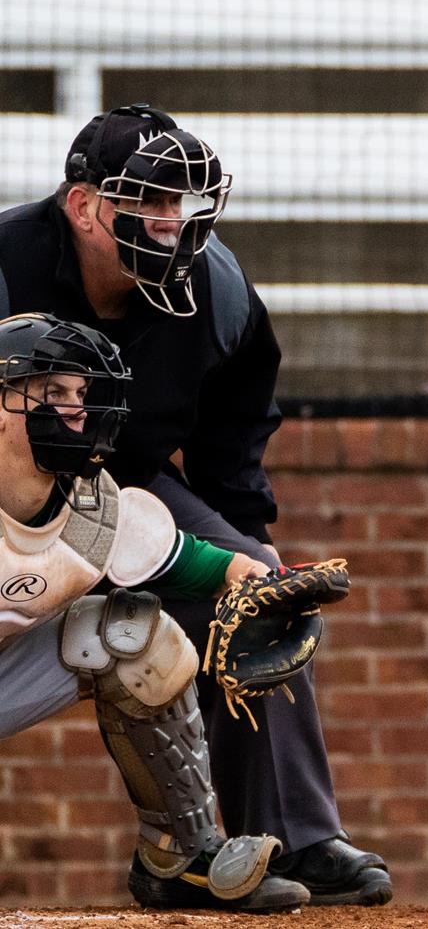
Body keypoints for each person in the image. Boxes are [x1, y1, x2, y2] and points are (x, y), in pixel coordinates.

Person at [0, 105, 392, 907]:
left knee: (244, 598)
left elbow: (237, 410)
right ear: (83, 206)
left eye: (182, 203)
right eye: (148, 202)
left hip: (118, 487)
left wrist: (243, 541)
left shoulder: (213, 287)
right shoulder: (4, 262)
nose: (172, 224)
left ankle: (258, 843)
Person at [0, 312, 308, 912]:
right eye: (52, 393)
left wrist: (251, 575)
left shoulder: (93, 507)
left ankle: (181, 856)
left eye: (81, 395)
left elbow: (185, 561)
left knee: (134, 633)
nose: (75, 411)